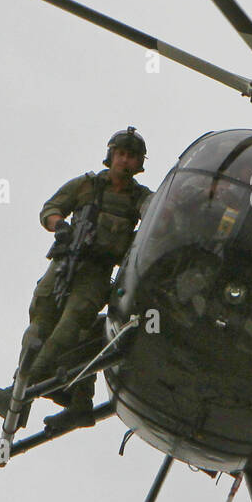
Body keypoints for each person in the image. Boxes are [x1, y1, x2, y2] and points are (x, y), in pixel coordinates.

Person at [24, 127, 152, 428]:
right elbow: (50, 209)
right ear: (111, 155)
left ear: (138, 163)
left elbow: (156, 212)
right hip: (65, 263)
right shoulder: (86, 186)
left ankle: (30, 384)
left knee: (72, 327)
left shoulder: (139, 197)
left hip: (96, 273)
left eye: (131, 157)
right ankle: (41, 386)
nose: (125, 161)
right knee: (39, 324)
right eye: (121, 154)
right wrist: (60, 226)